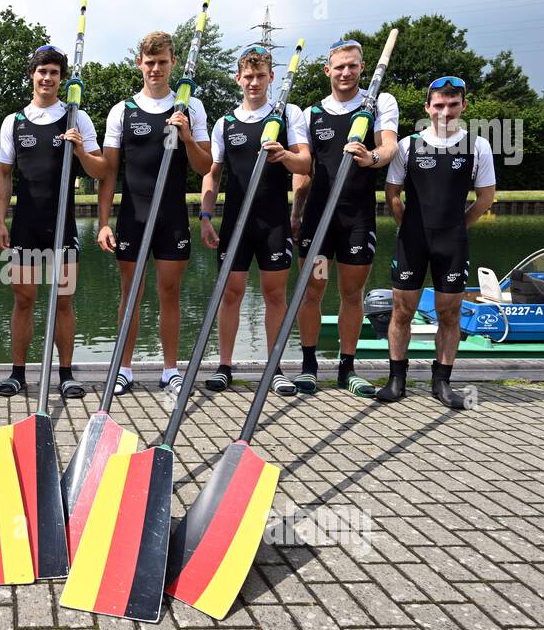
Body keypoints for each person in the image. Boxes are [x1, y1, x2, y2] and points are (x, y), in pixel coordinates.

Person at [97, 30, 211, 397]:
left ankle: (170, 370)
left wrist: (187, 136)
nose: (156, 69)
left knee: (169, 293)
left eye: (163, 62)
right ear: (139, 64)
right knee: (130, 293)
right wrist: (102, 222)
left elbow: (205, 165)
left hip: (172, 217)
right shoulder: (122, 111)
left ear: (173, 62)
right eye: (150, 62)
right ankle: (123, 369)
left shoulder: (190, 108)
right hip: (133, 215)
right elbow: (108, 172)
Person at [0, 45, 107, 398]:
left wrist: (80, 151)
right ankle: (17, 374)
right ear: (32, 75)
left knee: (63, 301)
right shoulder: (15, 121)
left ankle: (66, 375)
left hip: (62, 227)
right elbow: (3, 174)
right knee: (23, 300)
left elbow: (102, 170)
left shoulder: (77, 119)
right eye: (42, 71)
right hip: (26, 225)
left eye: (54, 73)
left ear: (61, 78)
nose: (47, 78)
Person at [377, 76, 496, 408]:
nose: (445, 111)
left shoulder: (477, 146)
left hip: (452, 243)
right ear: (427, 107)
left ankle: (441, 382)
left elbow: (485, 198)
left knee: (449, 314)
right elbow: (393, 195)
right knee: (401, 312)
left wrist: (457, 226)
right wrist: (412, 228)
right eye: (439, 105)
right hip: (412, 240)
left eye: (453, 104)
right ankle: (396, 379)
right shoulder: (407, 145)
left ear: (463, 106)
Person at [292, 38, 399, 397]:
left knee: (352, 294)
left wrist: (370, 158)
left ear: (362, 68)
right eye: (339, 66)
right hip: (319, 223)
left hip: (356, 221)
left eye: (352, 65)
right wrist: (296, 212)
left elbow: (389, 147)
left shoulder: (379, 103)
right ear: (328, 70)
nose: (346, 72)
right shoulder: (312, 114)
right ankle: (309, 367)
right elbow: (304, 172)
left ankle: (346, 369)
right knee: (313, 290)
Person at [200, 46, 311, 394]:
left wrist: (284, 155)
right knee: (229, 294)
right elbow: (212, 174)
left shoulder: (286, 115)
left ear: (271, 78)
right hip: (235, 222)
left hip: (273, 222)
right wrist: (205, 216)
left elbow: (306, 164)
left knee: (274, 294)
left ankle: (274, 368)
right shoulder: (225, 122)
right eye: (247, 76)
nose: (253, 82)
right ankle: (224, 367)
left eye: (260, 75)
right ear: (238, 79)